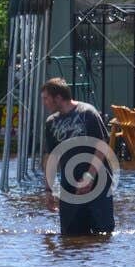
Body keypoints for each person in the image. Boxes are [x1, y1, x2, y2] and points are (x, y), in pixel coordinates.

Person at [40, 77, 117, 236]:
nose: (44, 103)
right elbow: (51, 158)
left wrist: (89, 175)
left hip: (98, 184)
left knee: (103, 235)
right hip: (69, 187)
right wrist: (49, 189)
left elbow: (101, 146)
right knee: (70, 237)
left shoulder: (87, 113)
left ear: (58, 98)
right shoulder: (50, 123)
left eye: (46, 98)